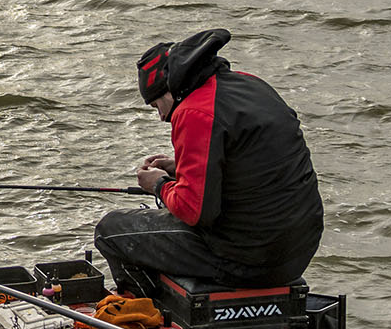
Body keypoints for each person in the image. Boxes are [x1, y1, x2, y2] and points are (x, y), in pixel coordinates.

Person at [94, 28, 323, 293]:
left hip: (247, 260)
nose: (161, 117)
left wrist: (158, 184)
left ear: (169, 91)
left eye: (156, 106)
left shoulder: (194, 111)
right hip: (297, 251)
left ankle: (144, 308)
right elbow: (251, 169)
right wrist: (179, 169)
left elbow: (194, 210)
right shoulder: (251, 85)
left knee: (110, 230)